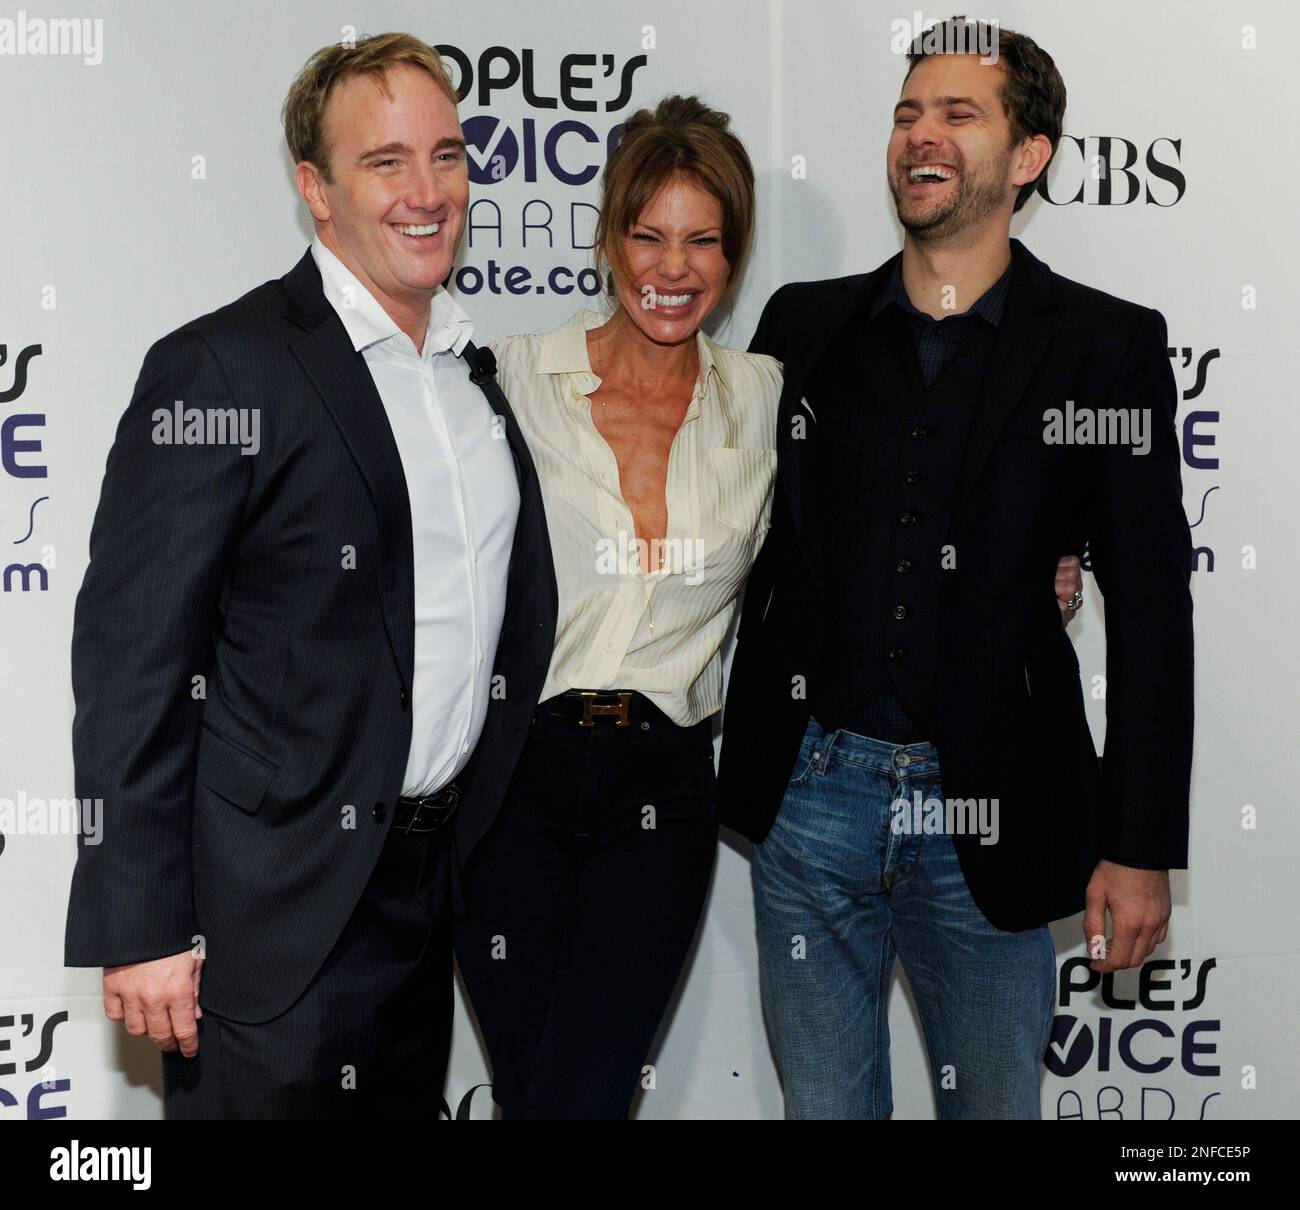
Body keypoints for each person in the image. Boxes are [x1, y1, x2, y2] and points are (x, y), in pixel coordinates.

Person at [452, 94, 1084, 1120]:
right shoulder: (511, 379)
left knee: (586, 1089)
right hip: (511, 782)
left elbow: (894, 497)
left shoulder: (768, 390)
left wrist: (1027, 562)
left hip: (658, 793)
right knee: (536, 1091)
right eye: (648, 235)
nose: (672, 266)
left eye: (703, 240)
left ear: (733, 258)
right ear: (609, 241)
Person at [63, 33, 555, 1119]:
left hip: (426, 902)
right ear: (314, 190)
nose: (426, 193)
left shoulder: (472, 378)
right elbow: (135, 661)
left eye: (445, 154)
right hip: (268, 920)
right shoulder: (223, 367)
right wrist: (140, 925)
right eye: (385, 162)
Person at [717, 17, 1194, 1120]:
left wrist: (1136, 846)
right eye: (905, 114)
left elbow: (1155, 602)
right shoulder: (803, 325)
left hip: (994, 800)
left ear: (1028, 156)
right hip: (810, 799)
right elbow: (739, 522)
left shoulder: (1103, 345)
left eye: (956, 115)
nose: (919, 137)